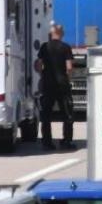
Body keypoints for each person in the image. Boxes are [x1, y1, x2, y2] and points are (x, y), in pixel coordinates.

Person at [35, 22, 75, 150]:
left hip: (47, 84)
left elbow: (38, 65)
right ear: (61, 33)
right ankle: (66, 142)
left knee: (46, 114)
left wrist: (42, 74)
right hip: (62, 84)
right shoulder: (66, 47)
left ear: (51, 33)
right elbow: (69, 67)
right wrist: (67, 78)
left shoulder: (44, 47)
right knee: (67, 114)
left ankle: (47, 143)